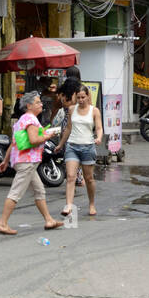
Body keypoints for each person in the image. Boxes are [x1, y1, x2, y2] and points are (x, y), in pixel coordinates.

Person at [0, 91, 65, 235]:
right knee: (16, 192)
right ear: (29, 105)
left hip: (24, 161)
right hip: (27, 162)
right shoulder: (31, 119)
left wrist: (6, 160)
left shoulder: (22, 120)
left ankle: (49, 220)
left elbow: (14, 143)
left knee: (39, 190)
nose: (41, 104)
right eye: (38, 102)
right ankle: (2, 223)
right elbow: (33, 140)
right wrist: (47, 136)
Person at [61, 84, 103, 218]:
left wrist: (99, 138)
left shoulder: (94, 110)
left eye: (83, 97)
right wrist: (61, 143)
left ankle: (91, 204)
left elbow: (99, 128)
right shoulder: (72, 109)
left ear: (88, 96)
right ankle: (68, 205)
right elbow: (68, 128)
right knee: (71, 177)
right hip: (72, 146)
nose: (80, 100)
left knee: (89, 178)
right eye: (78, 97)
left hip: (87, 147)